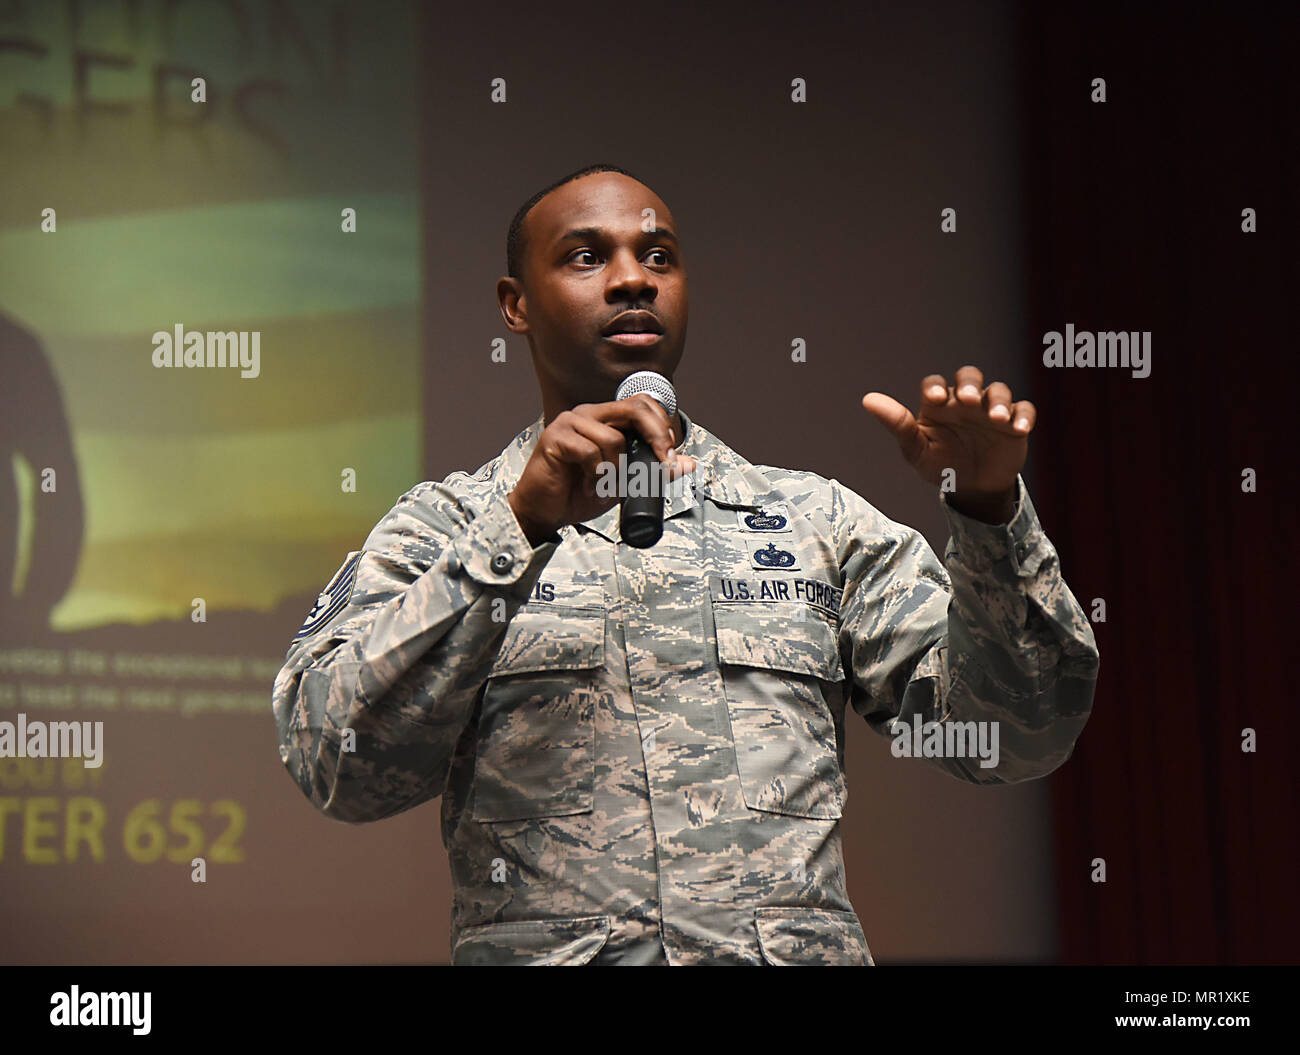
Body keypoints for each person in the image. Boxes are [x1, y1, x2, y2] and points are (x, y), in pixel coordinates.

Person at [271, 163, 1099, 965]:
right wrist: (516, 528)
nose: (634, 279)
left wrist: (990, 514)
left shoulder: (816, 521)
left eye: (658, 255)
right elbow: (339, 764)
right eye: (587, 256)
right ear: (516, 305)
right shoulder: (446, 526)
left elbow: (1007, 739)